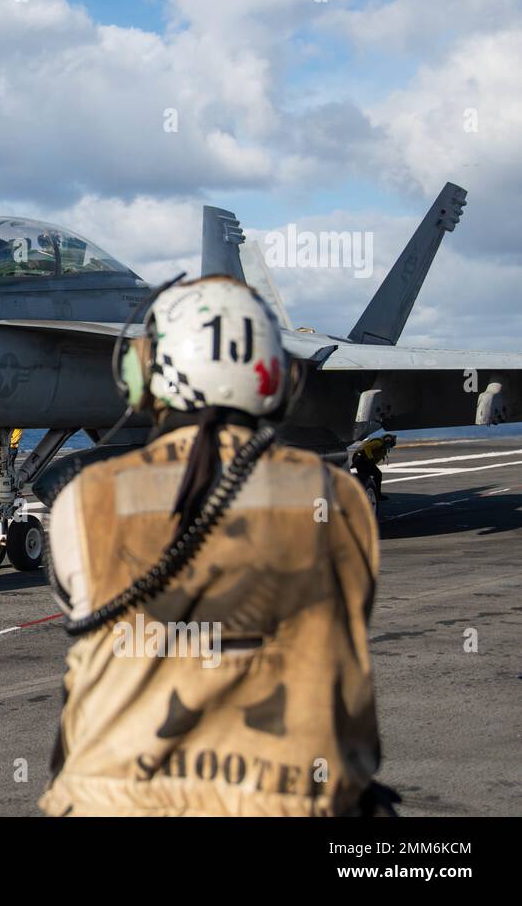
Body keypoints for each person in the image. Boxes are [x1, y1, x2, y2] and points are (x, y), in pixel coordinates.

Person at [40, 276, 389, 816]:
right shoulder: (340, 498)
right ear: (279, 380)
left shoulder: (83, 501)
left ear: (146, 376)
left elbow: (81, 609)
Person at [352, 433, 397, 503]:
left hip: (361, 460)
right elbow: (367, 447)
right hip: (362, 460)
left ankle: (362, 495)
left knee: (367, 477)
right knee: (376, 475)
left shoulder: (382, 444)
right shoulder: (378, 443)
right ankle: (377, 495)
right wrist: (370, 458)